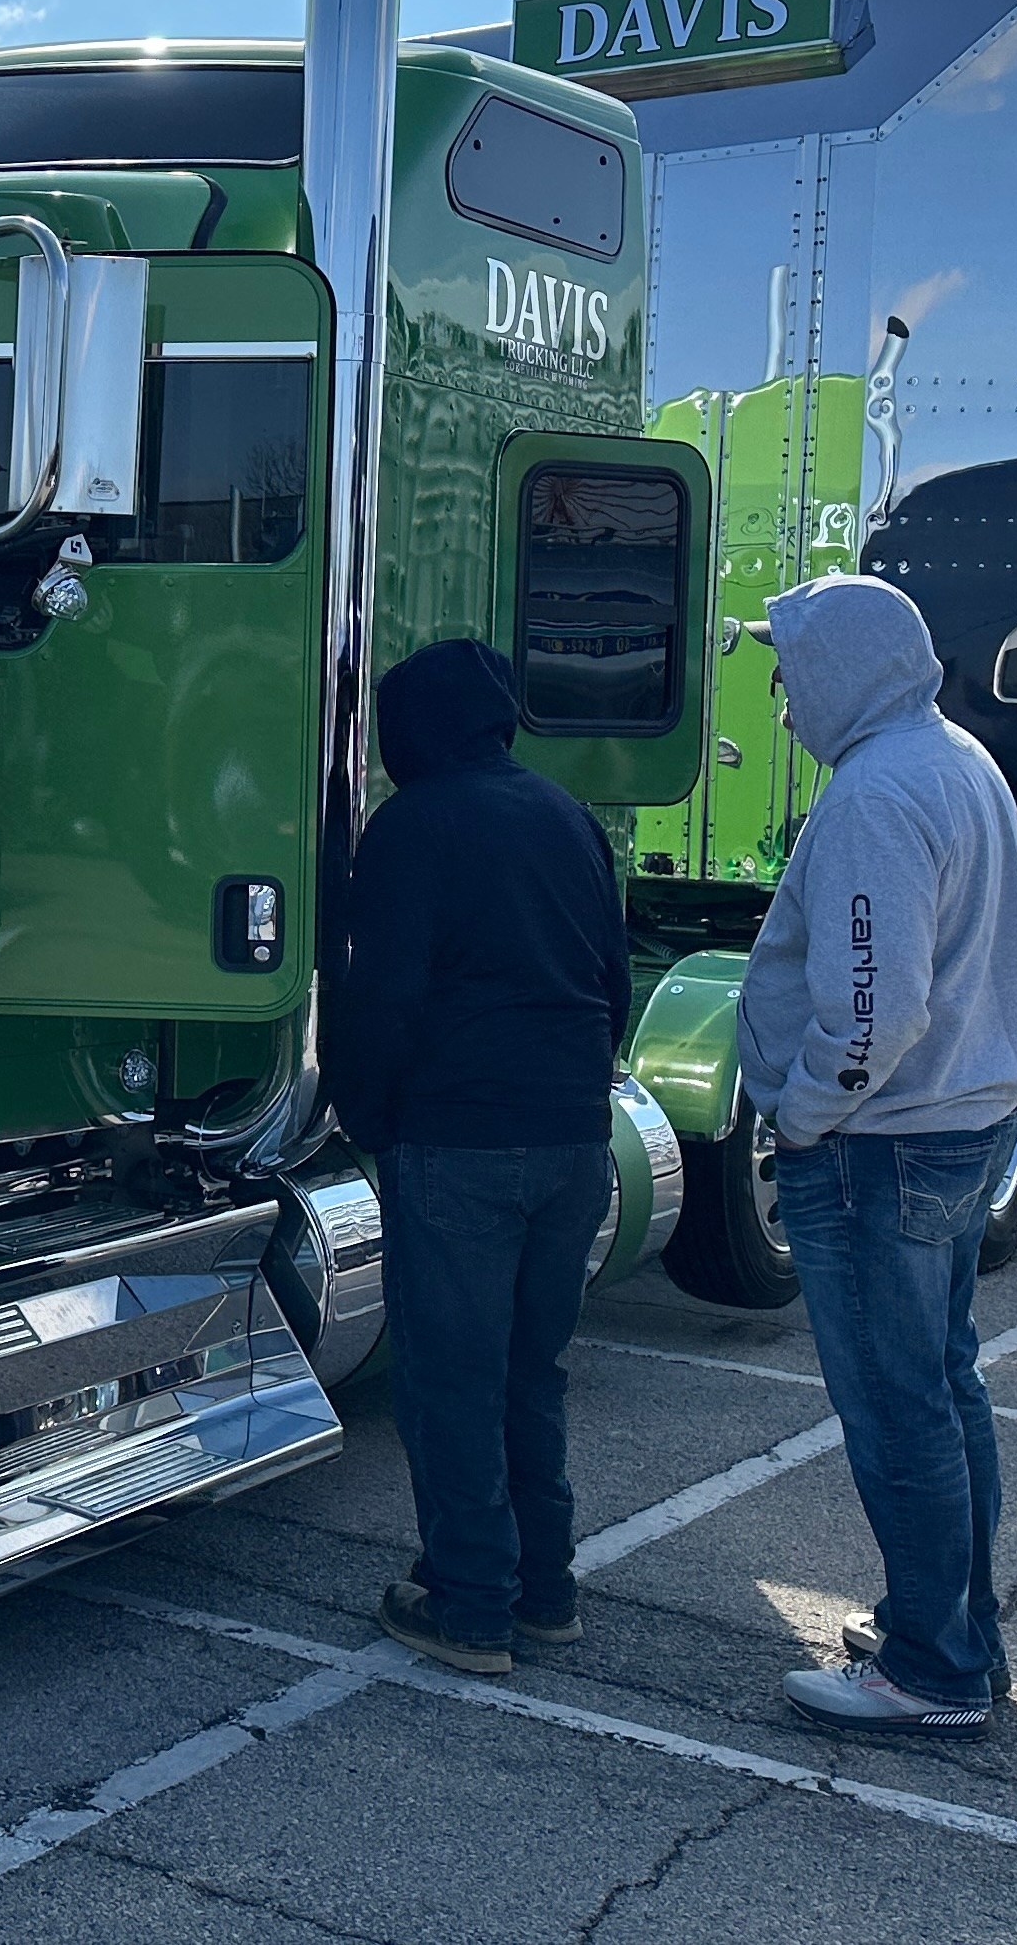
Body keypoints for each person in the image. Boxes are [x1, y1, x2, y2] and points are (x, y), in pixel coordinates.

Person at [740, 573, 1017, 1738]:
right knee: (945, 1389)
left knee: (897, 1405)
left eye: (789, 664)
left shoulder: (875, 794)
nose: (777, 687)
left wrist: (808, 1111)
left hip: (885, 1149)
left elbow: (873, 1009)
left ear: (842, 669)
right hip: (963, 1130)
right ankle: (956, 1629)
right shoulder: (956, 756)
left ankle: (931, 1668)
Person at [329, 637, 634, 1677]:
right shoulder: (568, 818)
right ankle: (545, 1590)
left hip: (462, 1140)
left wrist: (367, 1114)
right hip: (573, 1138)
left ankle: (468, 1605)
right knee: (527, 1375)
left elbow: (387, 997)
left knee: (451, 1381)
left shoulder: (412, 828)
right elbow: (614, 974)